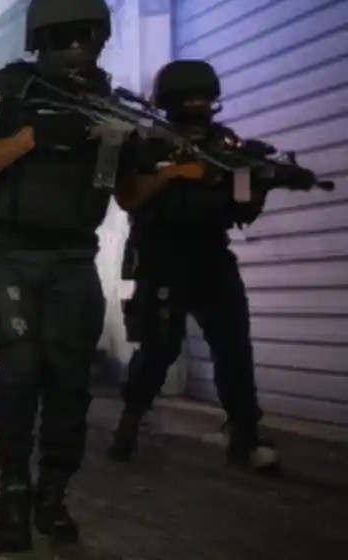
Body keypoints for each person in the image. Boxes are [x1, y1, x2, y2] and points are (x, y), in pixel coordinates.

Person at [0, 0, 128, 552]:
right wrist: (32, 136)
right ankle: (14, 489)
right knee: (20, 372)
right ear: (41, 41)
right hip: (10, 255)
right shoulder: (5, 91)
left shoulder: (110, 106)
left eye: (87, 38)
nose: (77, 48)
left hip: (75, 256)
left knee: (70, 380)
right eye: (64, 38)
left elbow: (134, 192)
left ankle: (53, 491)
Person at [109, 59, 278, 473]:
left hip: (212, 257)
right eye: (190, 98)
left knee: (234, 349)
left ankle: (245, 436)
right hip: (161, 258)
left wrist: (255, 181)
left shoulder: (228, 146)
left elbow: (241, 210)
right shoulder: (148, 143)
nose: (198, 104)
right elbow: (127, 197)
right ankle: (128, 426)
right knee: (157, 350)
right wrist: (175, 174)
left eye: (203, 97)